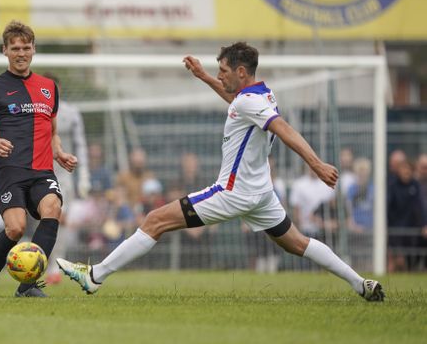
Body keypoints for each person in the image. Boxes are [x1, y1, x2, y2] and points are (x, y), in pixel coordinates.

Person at [56, 42, 384, 301]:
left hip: (232, 192)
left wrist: (316, 163)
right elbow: (234, 98)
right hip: (261, 193)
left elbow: (283, 129)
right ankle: (360, 283)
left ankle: (95, 275)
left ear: (242, 71)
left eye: (224, 70)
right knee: (297, 243)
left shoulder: (249, 102)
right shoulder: (260, 93)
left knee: (154, 221)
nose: (221, 75)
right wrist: (203, 77)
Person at [0, 20, 78, 298]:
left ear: (33, 49)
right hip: (9, 171)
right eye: (15, 48)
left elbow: (53, 131)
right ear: (5, 50)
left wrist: (59, 153)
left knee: (53, 209)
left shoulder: (49, 88)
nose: (21, 53)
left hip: (42, 171)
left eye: (26, 47)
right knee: (16, 228)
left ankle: (28, 286)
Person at [41, 72, 91, 284]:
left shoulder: (71, 113)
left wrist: (84, 176)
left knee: (60, 220)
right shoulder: (34, 112)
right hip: (37, 171)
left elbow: (80, 144)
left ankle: (54, 265)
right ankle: (37, 262)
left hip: (64, 175)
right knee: (39, 220)